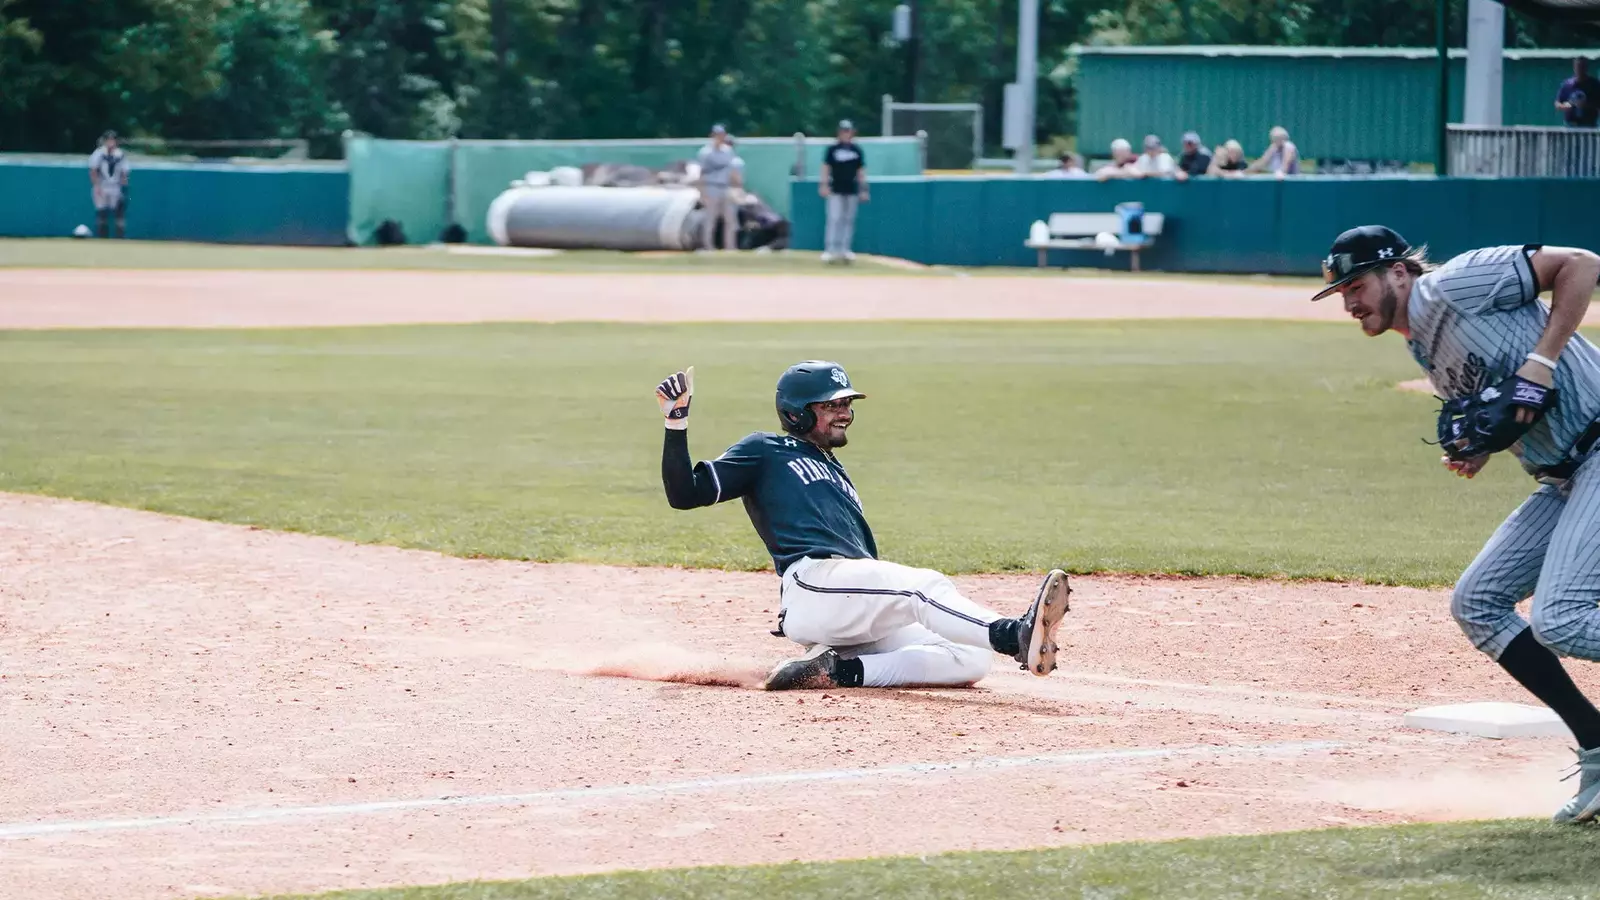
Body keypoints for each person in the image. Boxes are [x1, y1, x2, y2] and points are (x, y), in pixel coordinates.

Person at [1311, 224, 1600, 824]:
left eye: (1356, 285)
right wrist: (1481, 449)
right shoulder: (1420, 344)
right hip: (1566, 476)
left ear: (1397, 272)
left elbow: (1581, 264)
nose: (1350, 302)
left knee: (1562, 618)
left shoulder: (1456, 284)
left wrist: (1542, 362)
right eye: (1341, 292)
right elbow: (1510, 408)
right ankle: (1598, 744)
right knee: (1478, 602)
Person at [654, 361, 1070, 690]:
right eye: (832, 405)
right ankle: (1013, 633)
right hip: (814, 585)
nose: (845, 413)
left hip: (847, 600)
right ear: (797, 412)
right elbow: (685, 493)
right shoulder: (766, 449)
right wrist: (676, 424)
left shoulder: (835, 469)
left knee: (969, 658)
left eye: (846, 404)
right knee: (923, 585)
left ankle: (838, 671)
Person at [820, 120, 868, 264]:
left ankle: (845, 249)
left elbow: (861, 171)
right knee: (834, 219)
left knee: (848, 220)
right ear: (839, 133)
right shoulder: (832, 149)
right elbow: (825, 168)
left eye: (848, 131)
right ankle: (830, 250)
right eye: (843, 131)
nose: (846, 134)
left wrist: (863, 189)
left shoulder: (856, 150)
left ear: (852, 132)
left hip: (851, 190)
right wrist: (824, 184)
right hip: (836, 189)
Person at [696, 124, 742, 251]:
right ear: (712, 136)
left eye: (722, 134)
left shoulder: (727, 151)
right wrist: (702, 192)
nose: (720, 137)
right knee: (711, 218)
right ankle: (708, 246)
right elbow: (701, 173)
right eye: (717, 134)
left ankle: (730, 246)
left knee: (730, 219)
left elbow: (732, 171)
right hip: (711, 186)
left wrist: (737, 187)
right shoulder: (705, 152)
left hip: (725, 187)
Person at [88, 130, 130, 239]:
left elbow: (125, 173)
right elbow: (93, 170)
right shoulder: (99, 153)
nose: (111, 142)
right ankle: (102, 238)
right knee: (102, 212)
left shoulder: (120, 154)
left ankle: (119, 238)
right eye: (108, 140)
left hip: (115, 186)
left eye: (113, 140)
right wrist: (96, 186)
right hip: (102, 185)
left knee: (119, 212)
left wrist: (124, 187)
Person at [1557, 58, 1600, 128]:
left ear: (1586, 68)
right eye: (1578, 67)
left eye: (1582, 67)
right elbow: (1558, 104)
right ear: (1574, 68)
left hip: (1589, 124)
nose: (1580, 70)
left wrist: (1587, 105)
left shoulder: (1594, 84)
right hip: (1570, 125)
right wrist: (1566, 106)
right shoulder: (1567, 84)